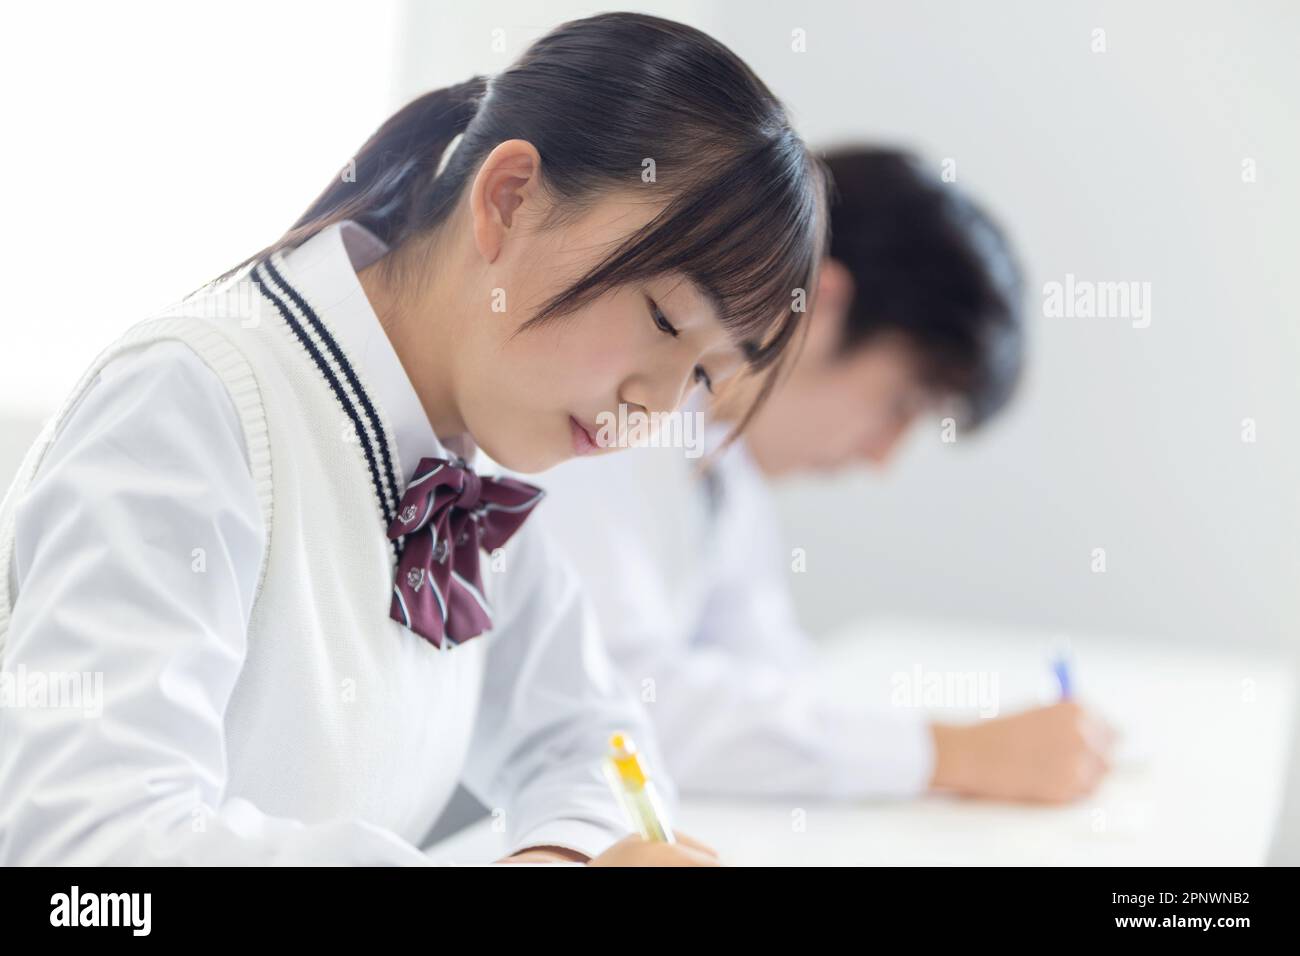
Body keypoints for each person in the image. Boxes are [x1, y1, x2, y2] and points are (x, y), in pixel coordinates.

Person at [0, 12, 829, 865]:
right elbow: (84, 851)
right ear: (509, 199)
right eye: (663, 319)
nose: (653, 406)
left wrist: (562, 854)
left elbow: (598, 742)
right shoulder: (196, 397)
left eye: (702, 376)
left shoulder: (467, 455)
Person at [534, 147, 1115, 806]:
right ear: (822, 306)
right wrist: (950, 753)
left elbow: (773, 673)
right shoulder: (609, 416)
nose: (881, 458)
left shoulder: (725, 469)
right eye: (900, 405)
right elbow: (625, 705)